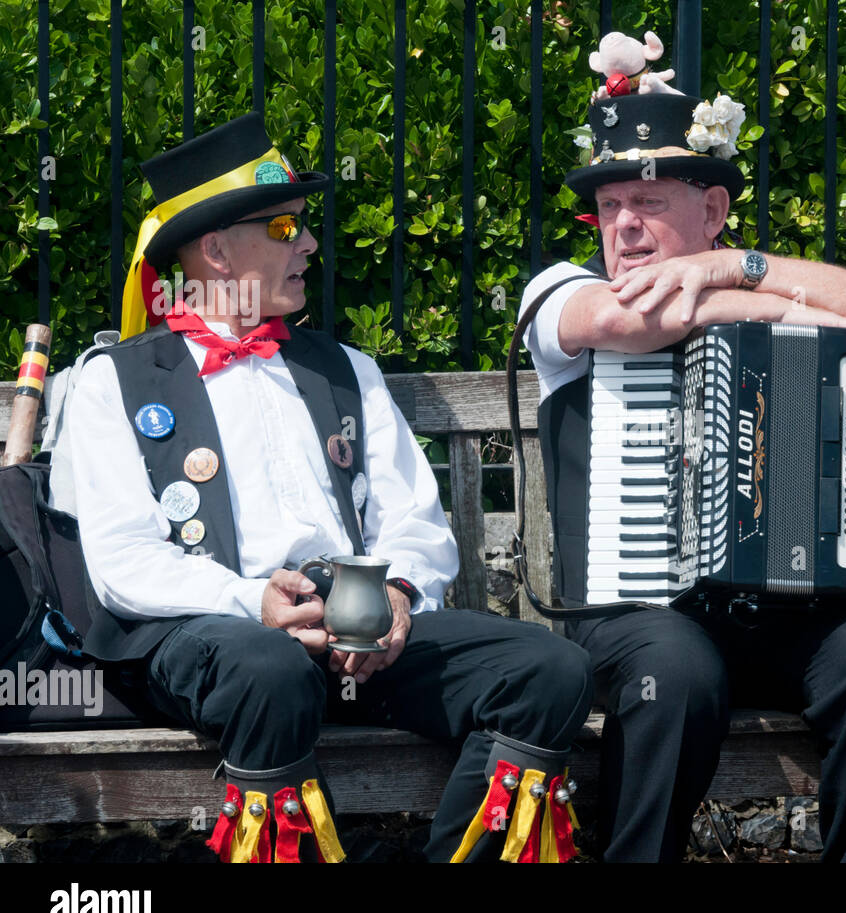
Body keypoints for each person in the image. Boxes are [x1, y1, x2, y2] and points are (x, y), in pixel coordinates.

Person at [51, 112, 592, 863]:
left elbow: (416, 521)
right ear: (214, 250)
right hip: (210, 635)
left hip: (354, 641)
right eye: (284, 230)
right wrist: (256, 605)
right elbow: (122, 562)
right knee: (271, 669)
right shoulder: (112, 380)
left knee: (552, 669)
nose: (309, 244)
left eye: (302, 228)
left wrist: (395, 597)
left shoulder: (345, 369)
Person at [518, 54, 846, 862]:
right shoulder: (558, 291)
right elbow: (634, 322)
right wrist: (764, 294)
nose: (625, 225)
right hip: (640, 616)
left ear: (713, 208)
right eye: (610, 205)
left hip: (792, 607)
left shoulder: (733, 266)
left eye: (646, 202)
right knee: (675, 670)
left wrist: (726, 269)